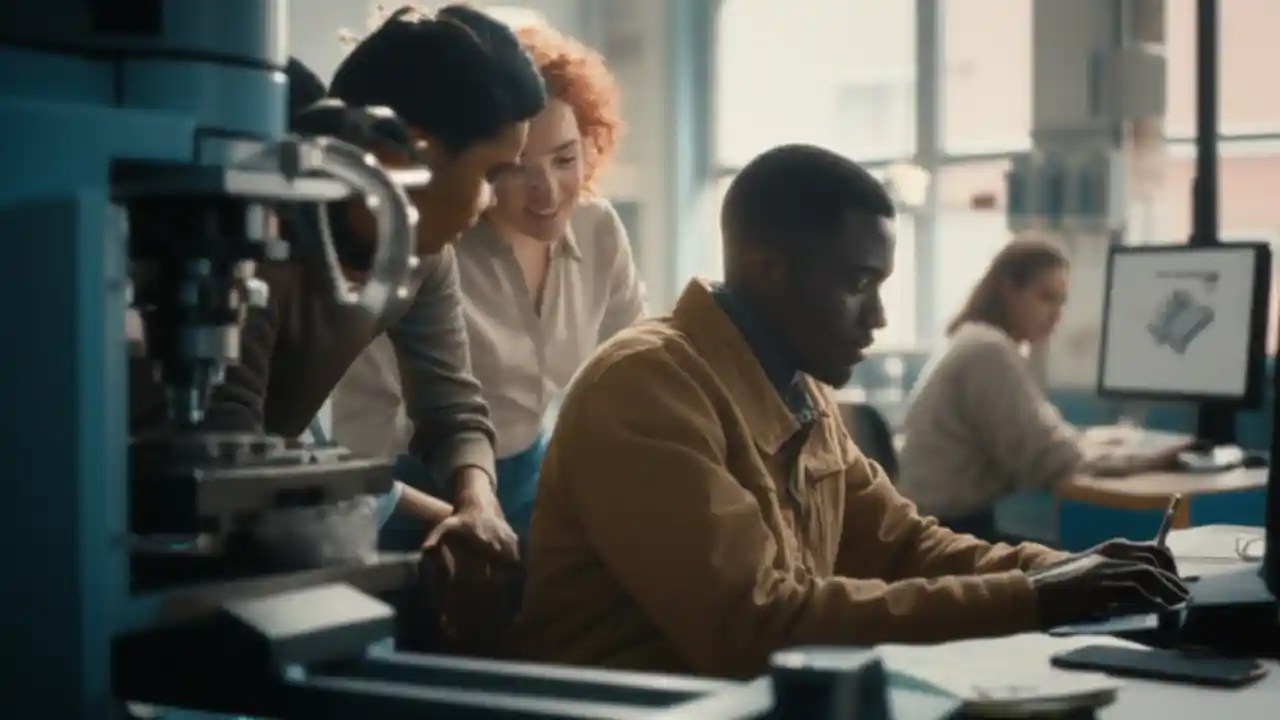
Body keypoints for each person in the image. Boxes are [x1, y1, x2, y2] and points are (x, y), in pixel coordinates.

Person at [514, 145, 1188, 679]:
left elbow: (903, 547)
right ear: (767, 268)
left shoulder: (801, 389)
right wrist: (1040, 599)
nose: (879, 316)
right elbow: (758, 626)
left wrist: (1058, 569)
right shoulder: (646, 388)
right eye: (857, 283)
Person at [134, 5, 546, 564]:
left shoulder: (422, 257)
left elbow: (452, 412)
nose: (491, 200)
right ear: (400, 157)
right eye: (491, 174)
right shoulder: (259, 239)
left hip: (259, 485)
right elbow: (228, 460)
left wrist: (478, 507)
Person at [333, 22, 644, 542]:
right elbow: (352, 450)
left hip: (522, 479)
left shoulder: (597, 231)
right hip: (403, 493)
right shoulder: (419, 248)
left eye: (566, 158)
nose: (546, 190)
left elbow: (636, 372)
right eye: (509, 169)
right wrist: (464, 516)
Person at [897, 239, 1188, 542]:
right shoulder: (987, 351)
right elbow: (1051, 461)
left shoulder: (973, 341)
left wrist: (1104, 444)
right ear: (1008, 290)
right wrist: (1149, 457)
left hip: (937, 526)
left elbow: (1045, 441)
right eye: (1046, 298)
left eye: (1062, 303)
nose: (1056, 316)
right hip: (948, 534)